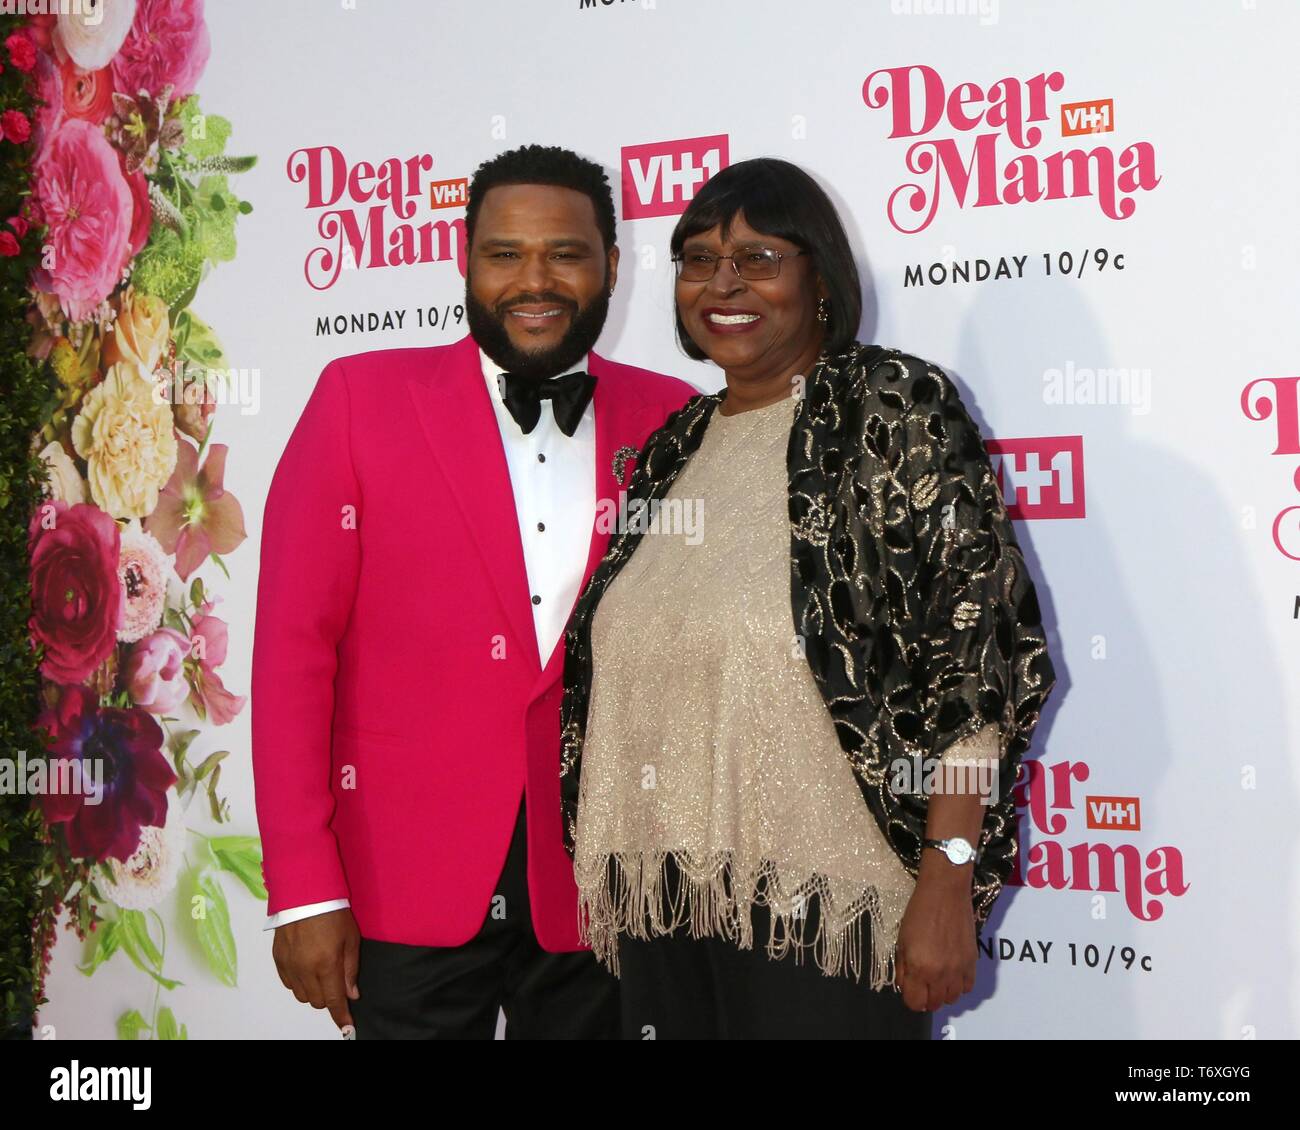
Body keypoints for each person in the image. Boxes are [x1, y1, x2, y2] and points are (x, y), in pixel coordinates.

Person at [559, 157, 1057, 1039]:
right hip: (665, 901)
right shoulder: (673, 446)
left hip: (829, 911)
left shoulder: (893, 408)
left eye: (757, 257)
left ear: (818, 277)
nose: (723, 284)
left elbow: (982, 663)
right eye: (699, 259)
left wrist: (949, 872)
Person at [251, 144, 695, 1039]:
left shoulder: (672, 417)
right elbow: (293, 654)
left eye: (567, 253)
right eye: (505, 254)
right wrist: (303, 890)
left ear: (613, 264)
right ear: (464, 261)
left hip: (601, 890)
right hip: (404, 882)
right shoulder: (358, 399)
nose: (536, 280)